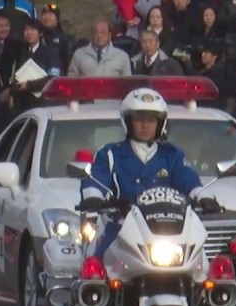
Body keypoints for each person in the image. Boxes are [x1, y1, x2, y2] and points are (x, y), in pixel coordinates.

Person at [79, 88, 221, 258]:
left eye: (151, 120)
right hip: (121, 229)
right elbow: (97, 178)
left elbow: (187, 177)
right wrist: (93, 197)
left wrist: (202, 196)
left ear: (160, 123)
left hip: (168, 231)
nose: (145, 125)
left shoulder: (172, 154)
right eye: (139, 119)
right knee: (98, 264)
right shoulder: (110, 154)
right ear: (127, 122)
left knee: (202, 264)